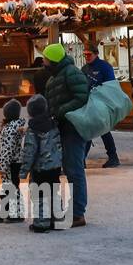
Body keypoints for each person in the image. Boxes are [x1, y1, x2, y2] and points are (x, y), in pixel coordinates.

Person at [42, 42, 90, 228]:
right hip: (61, 128)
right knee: (66, 169)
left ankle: (78, 213)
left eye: (45, 58)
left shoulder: (71, 73)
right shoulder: (53, 78)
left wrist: (61, 111)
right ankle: (69, 211)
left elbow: (81, 97)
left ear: (52, 59)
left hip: (73, 127)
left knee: (74, 170)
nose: (43, 61)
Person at [21, 94, 63, 232]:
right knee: (53, 193)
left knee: (39, 195)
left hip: (40, 168)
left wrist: (24, 170)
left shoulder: (32, 130)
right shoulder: (53, 125)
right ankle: (58, 220)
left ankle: (41, 223)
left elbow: (29, 152)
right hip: (54, 166)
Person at [82, 45, 121, 168]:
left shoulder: (105, 67)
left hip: (102, 102)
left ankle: (113, 157)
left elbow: (111, 85)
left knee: (103, 130)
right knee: (89, 130)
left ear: (96, 53)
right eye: (85, 54)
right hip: (89, 103)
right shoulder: (84, 69)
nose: (86, 57)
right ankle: (82, 159)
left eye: (89, 54)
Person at [0, 98, 24, 223]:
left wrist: (4, 167)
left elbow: (7, 150)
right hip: (13, 162)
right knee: (8, 187)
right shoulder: (14, 127)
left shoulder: (10, 130)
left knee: (12, 188)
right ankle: (5, 211)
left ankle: (16, 213)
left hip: (11, 163)